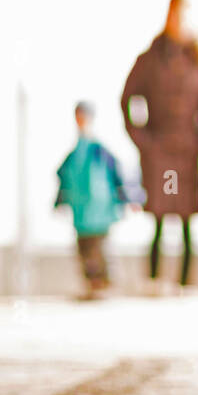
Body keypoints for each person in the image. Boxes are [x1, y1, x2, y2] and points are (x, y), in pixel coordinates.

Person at [121, 0, 198, 290]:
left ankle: (186, 283)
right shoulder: (151, 59)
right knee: (161, 214)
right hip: (162, 156)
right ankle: (155, 280)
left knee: (185, 220)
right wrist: (144, 141)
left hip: (186, 154)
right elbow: (127, 100)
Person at [55, 101, 127, 299]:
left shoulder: (100, 151)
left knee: (101, 249)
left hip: (100, 211)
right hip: (81, 213)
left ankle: (105, 283)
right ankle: (92, 283)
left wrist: (126, 198)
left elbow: (117, 175)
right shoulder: (75, 154)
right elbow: (64, 178)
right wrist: (59, 202)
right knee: (85, 250)